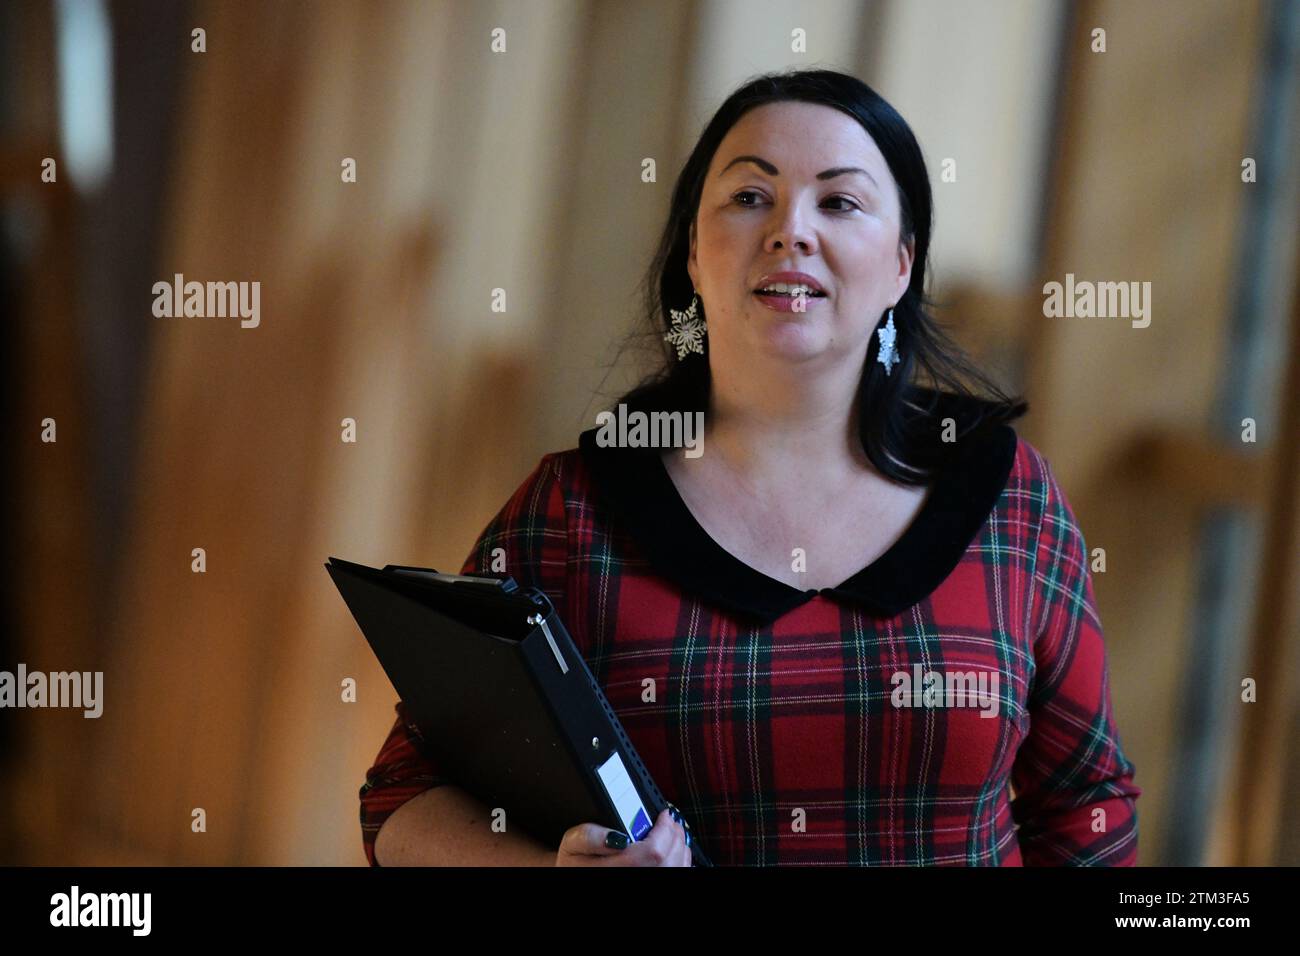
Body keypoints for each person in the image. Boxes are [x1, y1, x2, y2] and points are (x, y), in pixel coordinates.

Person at [360, 68, 1140, 866]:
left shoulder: (1009, 499)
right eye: (748, 197)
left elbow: (1089, 805)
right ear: (694, 257)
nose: (791, 230)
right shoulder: (576, 510)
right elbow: (400, 796)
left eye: (839, 202)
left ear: (903, 265)